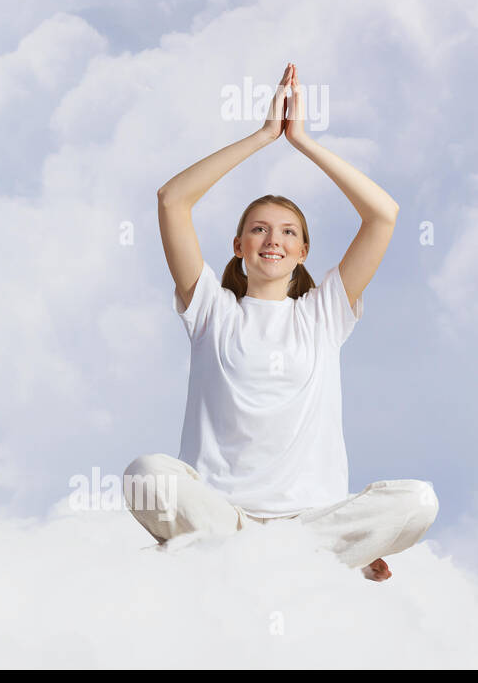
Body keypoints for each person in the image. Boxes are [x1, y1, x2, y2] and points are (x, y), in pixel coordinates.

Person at [128, 64, 438, 581]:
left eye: (288, 231)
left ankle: (277, 551)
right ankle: (305, 556)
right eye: (259, 229)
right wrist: (263, 135)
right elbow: (172, 200)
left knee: (417, 501)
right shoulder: (210, 308)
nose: (274, 239)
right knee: (145, 475)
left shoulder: (324, 312)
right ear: (240, 245)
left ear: (302, 251)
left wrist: (303, 142)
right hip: (222, 514)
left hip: (307, 520)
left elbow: (382, 214)